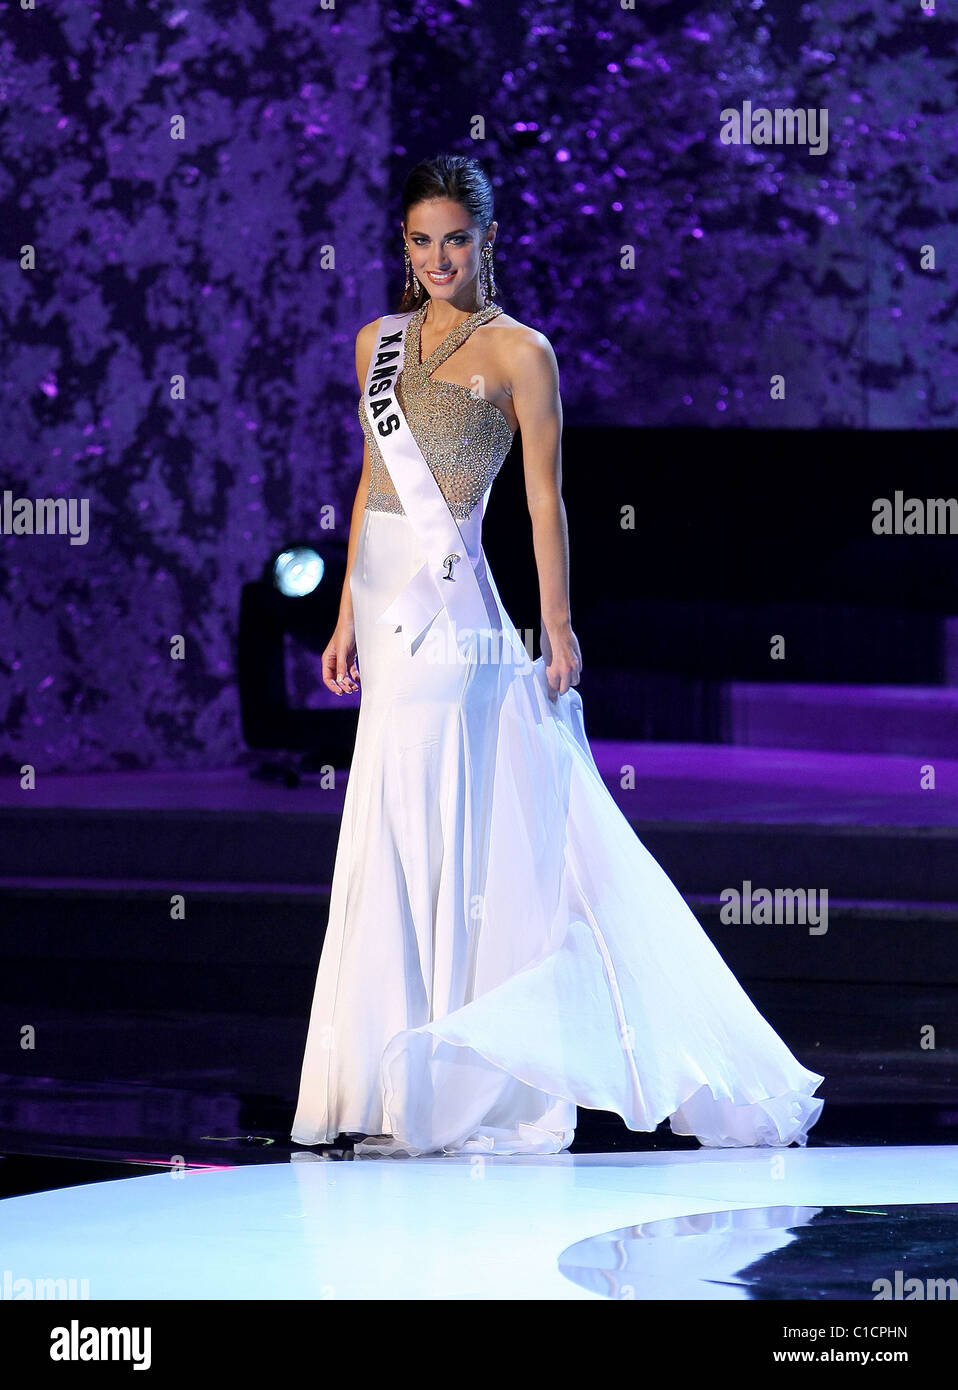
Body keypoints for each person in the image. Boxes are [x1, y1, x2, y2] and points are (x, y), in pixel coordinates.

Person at [291, 153, 824, 1156]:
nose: (438, 257)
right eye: (420, 240)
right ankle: (388, 1076)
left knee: (456, 812)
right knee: (390, 820)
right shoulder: (376, 342)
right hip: (384, 605)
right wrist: (343, 619)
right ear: (403, 247)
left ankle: (457, 1076)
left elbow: (543, 499)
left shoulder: (521, 353)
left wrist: (559, 621)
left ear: (485, 239)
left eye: (456, 237)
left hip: (459, 618)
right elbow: (370, 482)